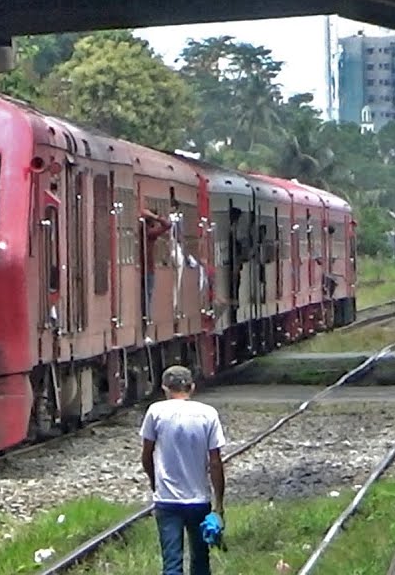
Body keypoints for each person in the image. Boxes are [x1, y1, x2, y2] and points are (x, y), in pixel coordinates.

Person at [140, 365, 227, 575]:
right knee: (200, 561)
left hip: (167, 501)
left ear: (165, 389)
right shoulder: (208, 414)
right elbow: (215, 462)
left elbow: (146, 455)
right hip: (199, 501)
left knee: (171, 564)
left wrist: (155, 483)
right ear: (192, 387)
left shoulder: (155, 412)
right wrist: (219, 503)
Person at [142, 209, 170, 321]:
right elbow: (168, 225)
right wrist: (156, 216)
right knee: (148, 297)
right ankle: (147, 321)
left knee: (146, 297)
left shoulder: (146, 231)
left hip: (146, 270)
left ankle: (146, 321)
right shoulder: (150, 233)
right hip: (148, 270)